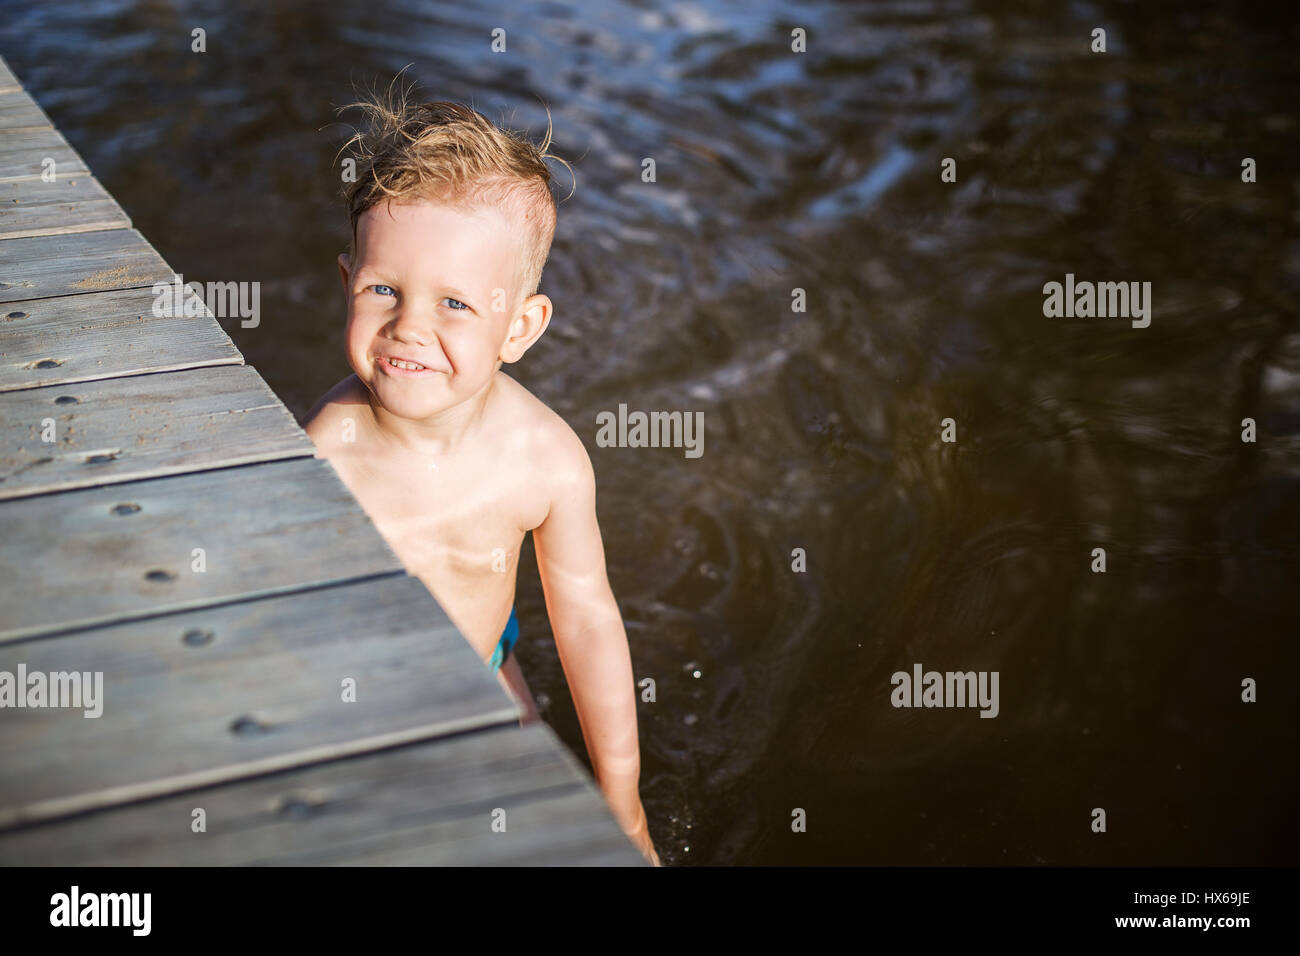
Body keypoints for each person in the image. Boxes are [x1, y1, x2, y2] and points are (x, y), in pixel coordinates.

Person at [302, 88, 658, 866]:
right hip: (359, 689)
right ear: (346, 283)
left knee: (527, 815)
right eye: (382, 290)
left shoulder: (545, 459)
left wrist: (622, 800)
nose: (409, 328)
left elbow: (588, 623)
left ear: (519, 328)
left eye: (455, 302)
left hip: (481, 663)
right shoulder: (326, 452)